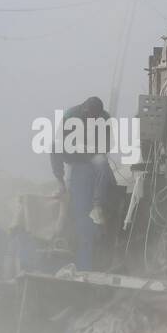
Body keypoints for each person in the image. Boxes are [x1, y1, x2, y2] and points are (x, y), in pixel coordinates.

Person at [50, 96, 113, 270]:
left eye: (96, 117)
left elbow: (107, 145)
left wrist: (93, 149)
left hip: (92, 155)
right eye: (90, 116)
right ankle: (79, 261)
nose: (93, 119)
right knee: (79, 214)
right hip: (75, 159)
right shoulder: (70, 116)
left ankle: (98, 204)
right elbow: (56, 147)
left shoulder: (105, 118)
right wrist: (60, 180)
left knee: (102, 164)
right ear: (84, 111)